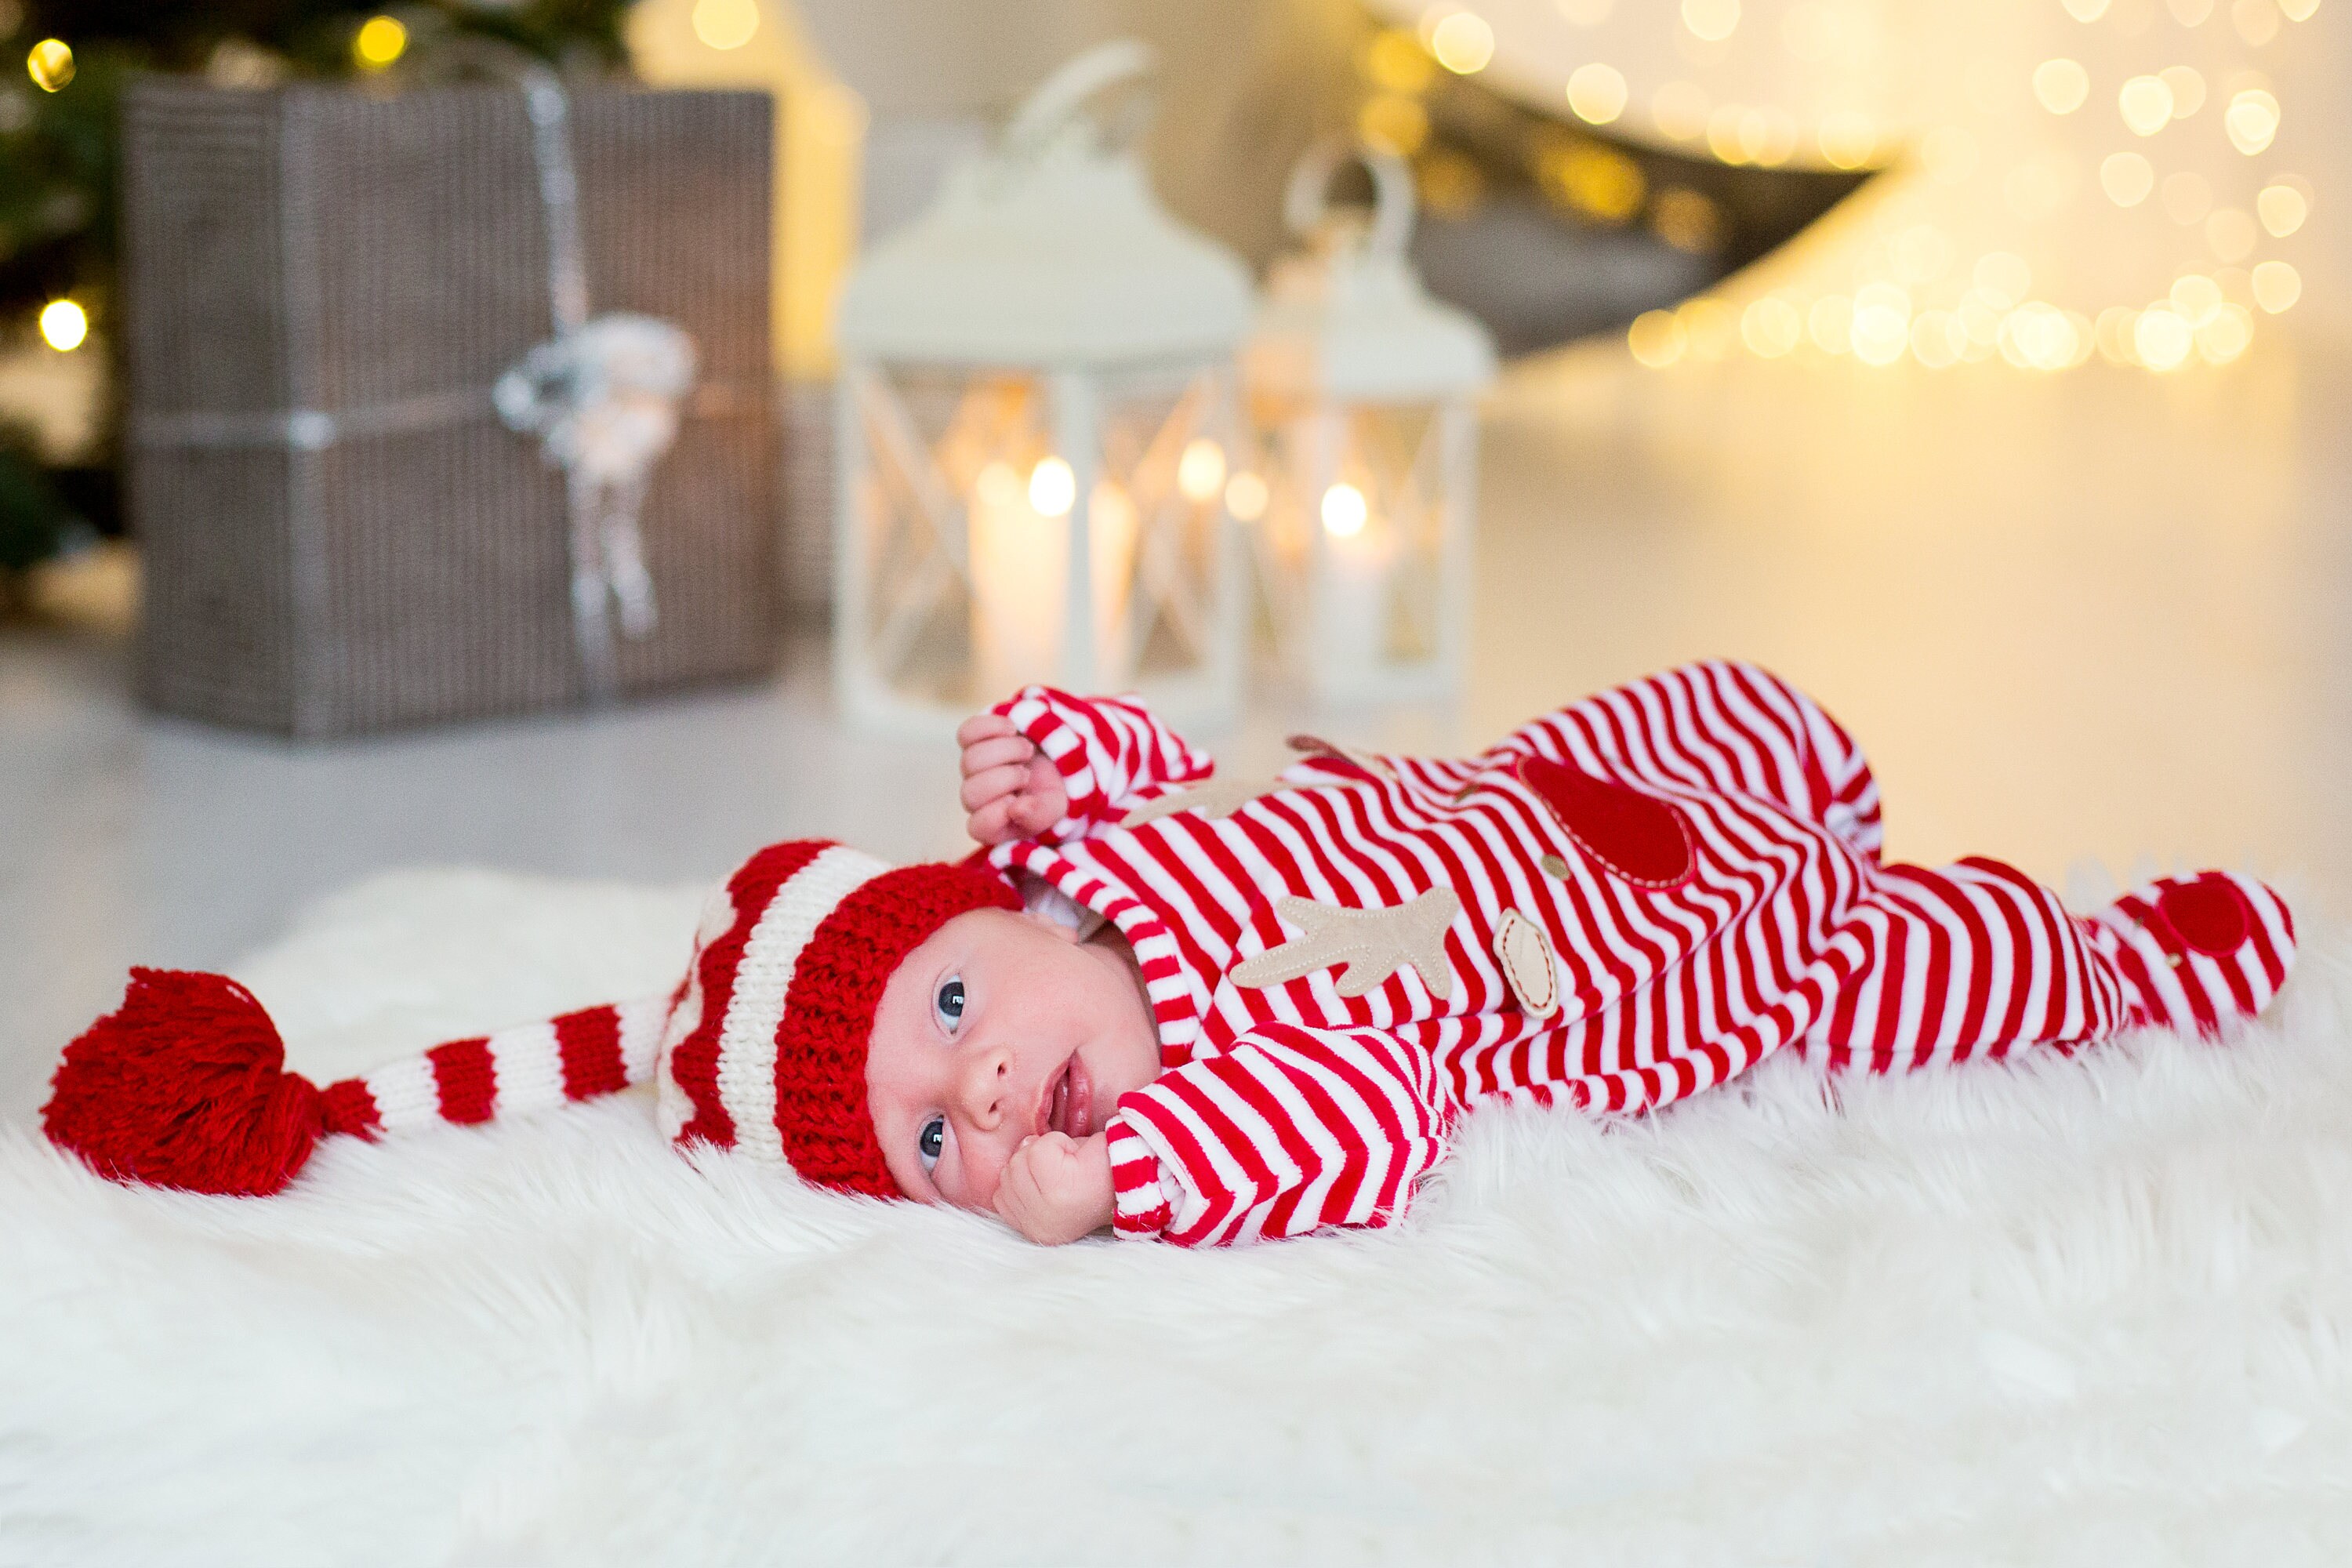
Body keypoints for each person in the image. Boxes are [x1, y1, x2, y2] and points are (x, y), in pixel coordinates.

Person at [43, 663, 2295, 1250]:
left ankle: (2060, 921)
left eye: (952, 1024)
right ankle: (2127, 959)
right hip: (1691, 978)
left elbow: (1123, 743)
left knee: (1710, 741)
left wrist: (1042, 751)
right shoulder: (1243, 1057)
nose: (984, 1096)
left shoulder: (1093, 868)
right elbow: (1369, 1116)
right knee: (1939, 966)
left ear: (997, 915)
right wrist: (1128, 1182)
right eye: (934, 1142)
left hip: (1548, 800)